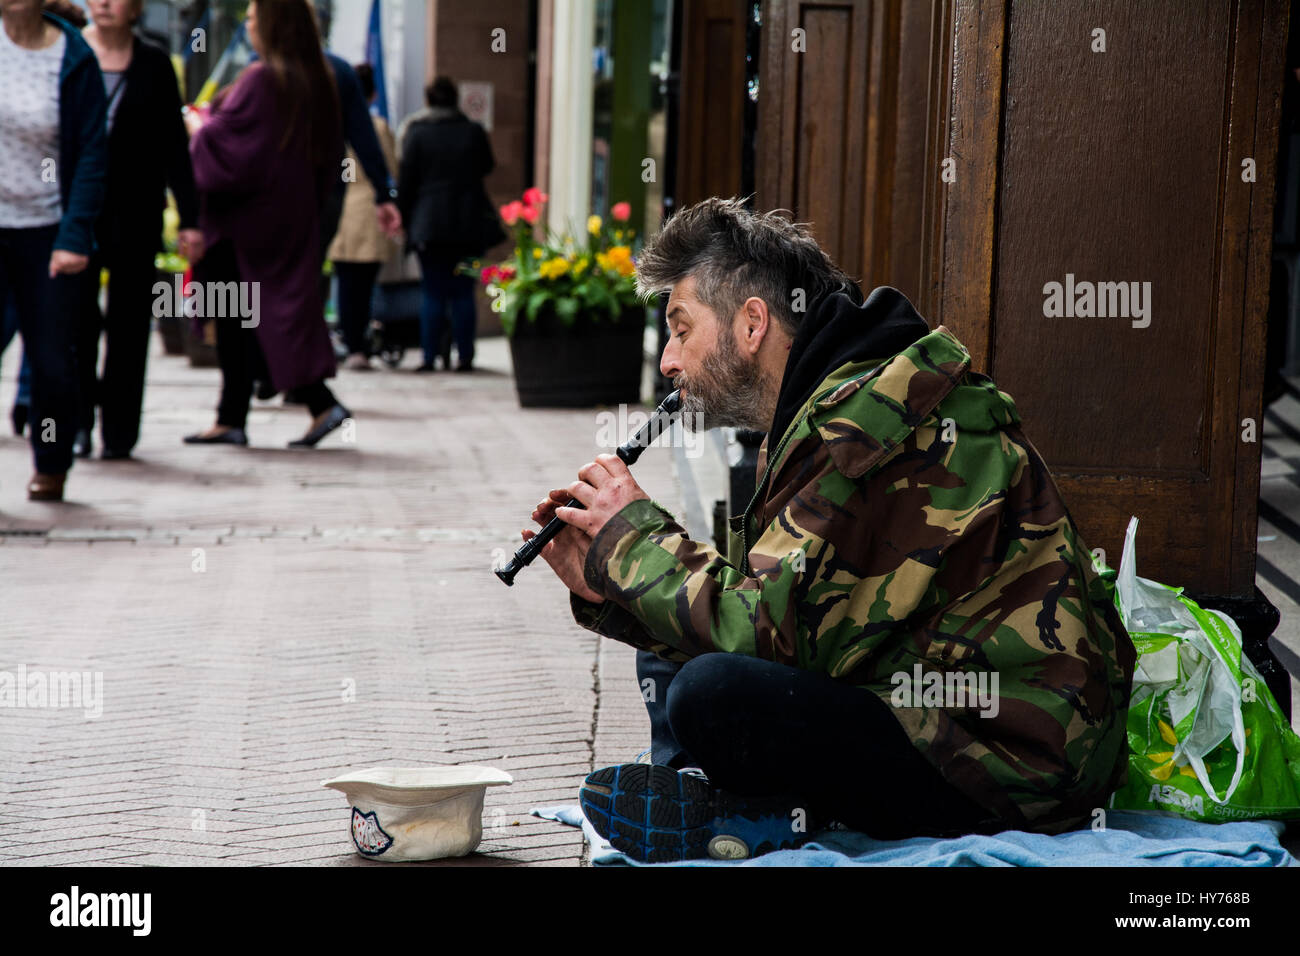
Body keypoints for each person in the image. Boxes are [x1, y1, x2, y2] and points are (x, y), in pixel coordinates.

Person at [526, 197, 1137, 862]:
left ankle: (727, 807)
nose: (669, 361)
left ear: (752, 323)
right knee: (668, 628)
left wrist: (631, 540)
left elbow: (762, 642)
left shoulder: (866, 423)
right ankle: (705, 796)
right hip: (919, 693)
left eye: (681, 329)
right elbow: (778, 613)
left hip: (1014, 758)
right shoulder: (834, 400)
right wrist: (607, 580)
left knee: (713, 690)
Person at [182, 0, 350, 449]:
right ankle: (249, 413)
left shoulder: (263, 78)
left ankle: (288, 407)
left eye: (254, 18)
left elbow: (232, 147)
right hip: (286, 220)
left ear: (274, 23)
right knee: (262, 318)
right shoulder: (315, 80)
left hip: (244, 226)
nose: (248, 24)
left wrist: (199, 129)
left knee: (241, 319)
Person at [73, 0, 202, 461]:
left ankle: (120, 431)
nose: (104, 3)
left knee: (129, 324)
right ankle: (77, 423)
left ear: (137, 8)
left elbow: (174, 145)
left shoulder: (154, 65)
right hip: (76, 213)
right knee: (77, 321)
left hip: (136, 212)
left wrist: (190, 218)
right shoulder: (71, 53)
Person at [0, 0, 107, 501]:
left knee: (51, 362)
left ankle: (51, 460)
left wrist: (74, 234)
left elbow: (91, 152)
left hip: (47, 230)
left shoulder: (73, 56)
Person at [398, 75, 494, 372]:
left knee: (433, 291)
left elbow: (406, 182)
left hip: (429, 224)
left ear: (428, 101)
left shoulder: (417, 133)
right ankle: (465, 356)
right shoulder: (472, 132)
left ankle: (428, 356)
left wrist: (402, 219)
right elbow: (487, 166)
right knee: (464, 291)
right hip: (468, 222)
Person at [327, 62, 398, 371]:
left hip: (340, 209)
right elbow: (389, 168)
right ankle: (358, 344)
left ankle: (349, 340)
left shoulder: (331, 122)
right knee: (364, 283)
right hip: (368, 209)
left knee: (343, 280)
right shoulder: (378, 127)